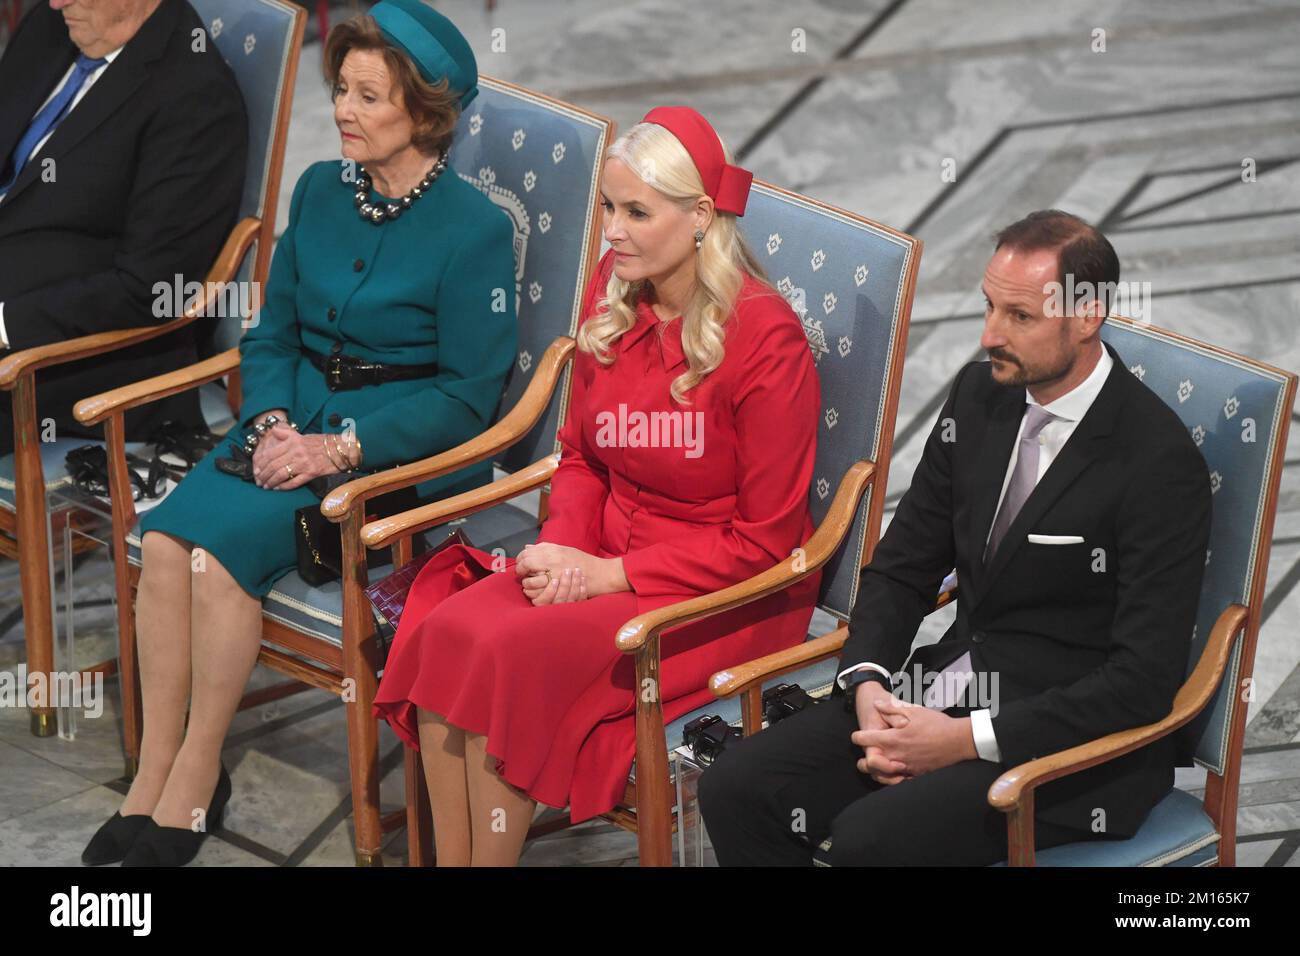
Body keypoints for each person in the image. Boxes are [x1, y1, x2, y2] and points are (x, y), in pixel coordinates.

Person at [80, 0, 517, 867]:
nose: (343, 111)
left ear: (423, 114)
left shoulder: (475, 232)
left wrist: (338, 448)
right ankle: (152, 771)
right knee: (163, 541)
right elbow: (272, 331)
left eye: (368, 96)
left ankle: (196, 776)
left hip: (385, 458)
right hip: (283, 425)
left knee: (213, 557)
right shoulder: (321, 188)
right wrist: (273, 417)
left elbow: (471, 400)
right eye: (341, 89)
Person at [372, 106, 824, 867]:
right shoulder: (614, 298)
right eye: (608, 207)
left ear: (700, 218)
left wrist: (607, 575)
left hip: (720, 595)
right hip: (601, 555)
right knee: (449, 633)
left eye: (637, 213)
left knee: (510, 661)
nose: (611, 231)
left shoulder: (766, 341)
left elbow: (766, 543)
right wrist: (560, 547)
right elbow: (579, 455)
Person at [699, 210, 1213, 866]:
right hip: (945, 689)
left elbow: (1141, 681)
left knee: (868, 839)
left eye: (1018, 317)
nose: (990, 335)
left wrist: (965, 740)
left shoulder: (1155, 462)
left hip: (1070, 750)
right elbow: (905, 565)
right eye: (989, 307)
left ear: (1086, 318)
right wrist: (869, 686)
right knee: (737, 788)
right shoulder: (980, 396)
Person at [0, 0, 247, 454]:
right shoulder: (55, 24)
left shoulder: (196, 97)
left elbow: (148, 287)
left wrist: (3, 323)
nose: (56, 1)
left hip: (68, 362)